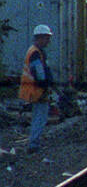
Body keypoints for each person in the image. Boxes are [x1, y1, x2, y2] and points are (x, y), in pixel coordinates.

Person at [20, 24, 54, 152]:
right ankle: (34, 144)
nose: (48, 41)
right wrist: (46, 84)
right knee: (40, 117)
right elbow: (39, 73)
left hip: (35, 89)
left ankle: (34, 142)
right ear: (40, 37)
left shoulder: (35, 51)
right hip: (36, 90)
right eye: (46, 38)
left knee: (38, 116)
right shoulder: (35, 53)